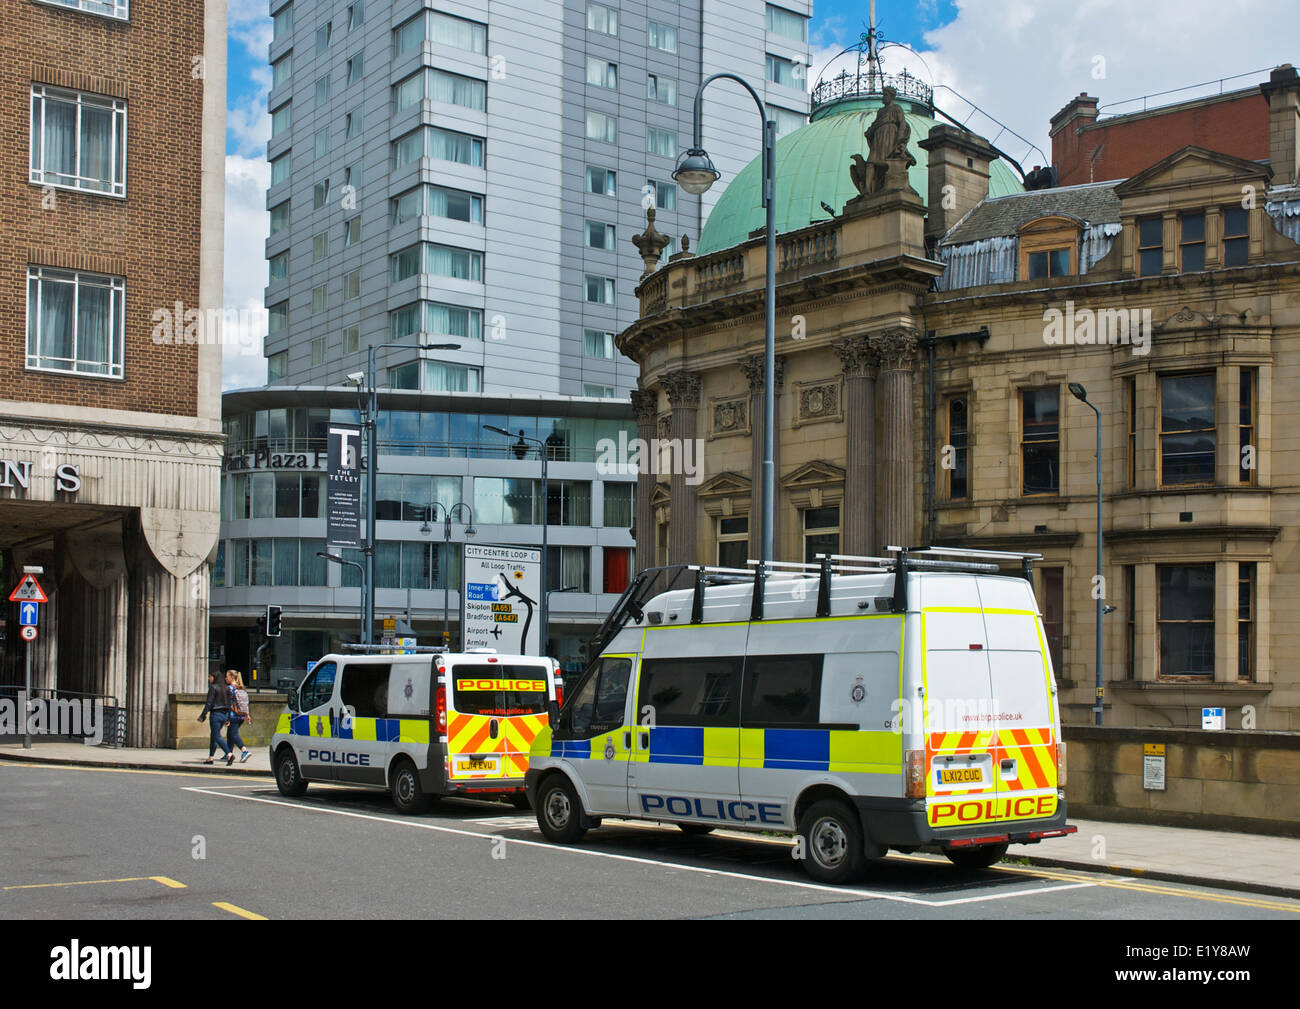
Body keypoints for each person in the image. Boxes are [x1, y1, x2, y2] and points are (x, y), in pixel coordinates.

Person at [197, 670, 232, 765]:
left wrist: (202, 715)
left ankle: (229, 753)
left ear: (215, 677)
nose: (209, 678)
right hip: (224, 715)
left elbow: (209, 703)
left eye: (210, 676)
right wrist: (228, 718)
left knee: (216, 736)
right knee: (214, 736)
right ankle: (210, 757)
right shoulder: (227, 688)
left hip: (216, 715)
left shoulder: (213, 688)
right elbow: (229, 704)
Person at [225, 669, 254, 764]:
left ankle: (244, 751)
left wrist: (227, 716)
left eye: (227, 676)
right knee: (230, 734)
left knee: (234, 734)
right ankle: (228, 753)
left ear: (232, 677)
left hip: (233, 715)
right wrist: (247, 715)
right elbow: (245, 704)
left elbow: (228, 703)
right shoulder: (241, 688)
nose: (225, 678)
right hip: (241, 716)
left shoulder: (230, 688)